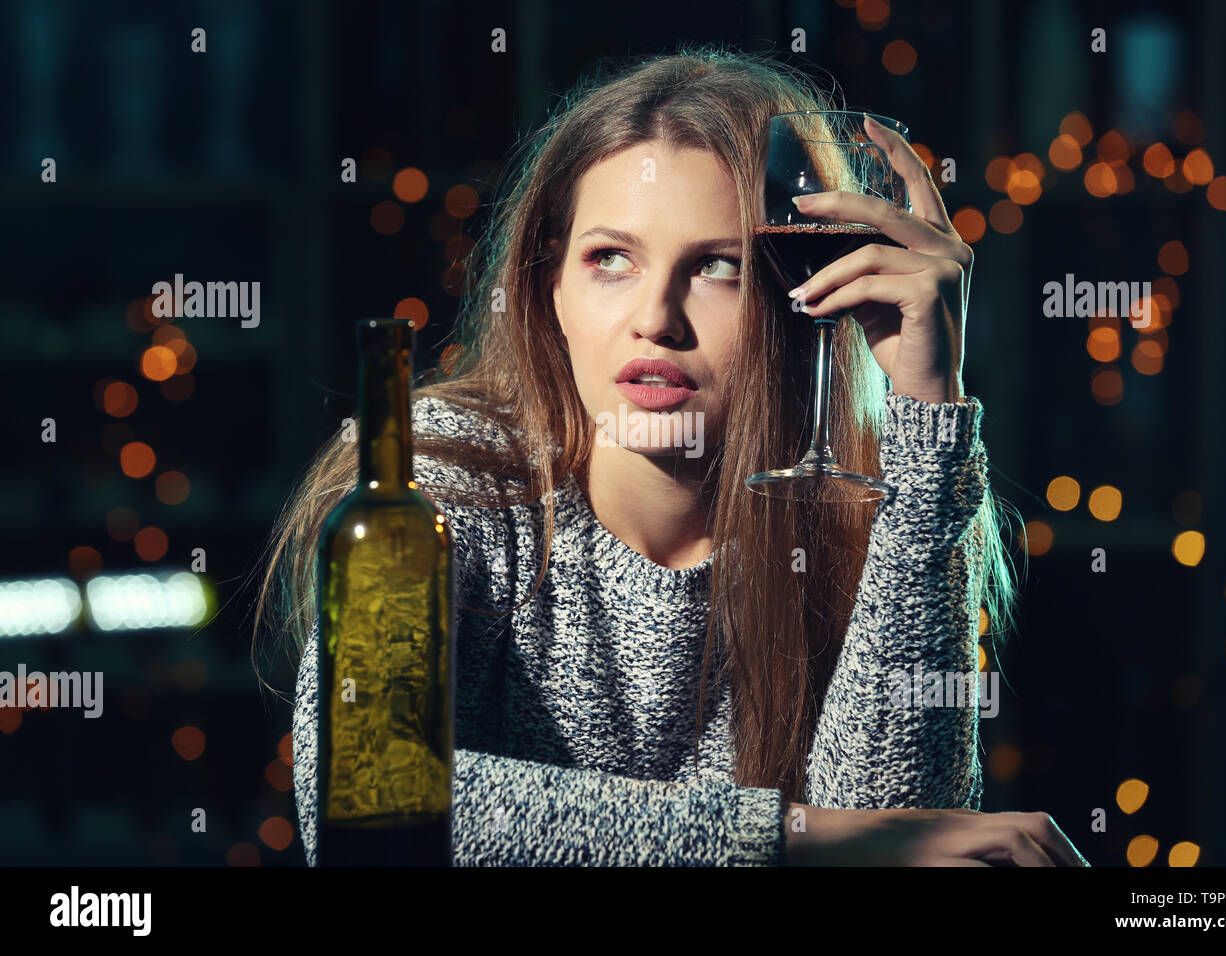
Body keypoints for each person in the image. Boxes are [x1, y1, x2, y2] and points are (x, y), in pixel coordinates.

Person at [254, 45, 1088, 866]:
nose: (656, 317)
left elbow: (903, 839)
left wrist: (930, 411)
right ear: (550, 293)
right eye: (610, 259)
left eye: (718, 267)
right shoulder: (440, 482)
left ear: (813, 297)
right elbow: (364, 804)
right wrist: (791, 836)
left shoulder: (876, 506)